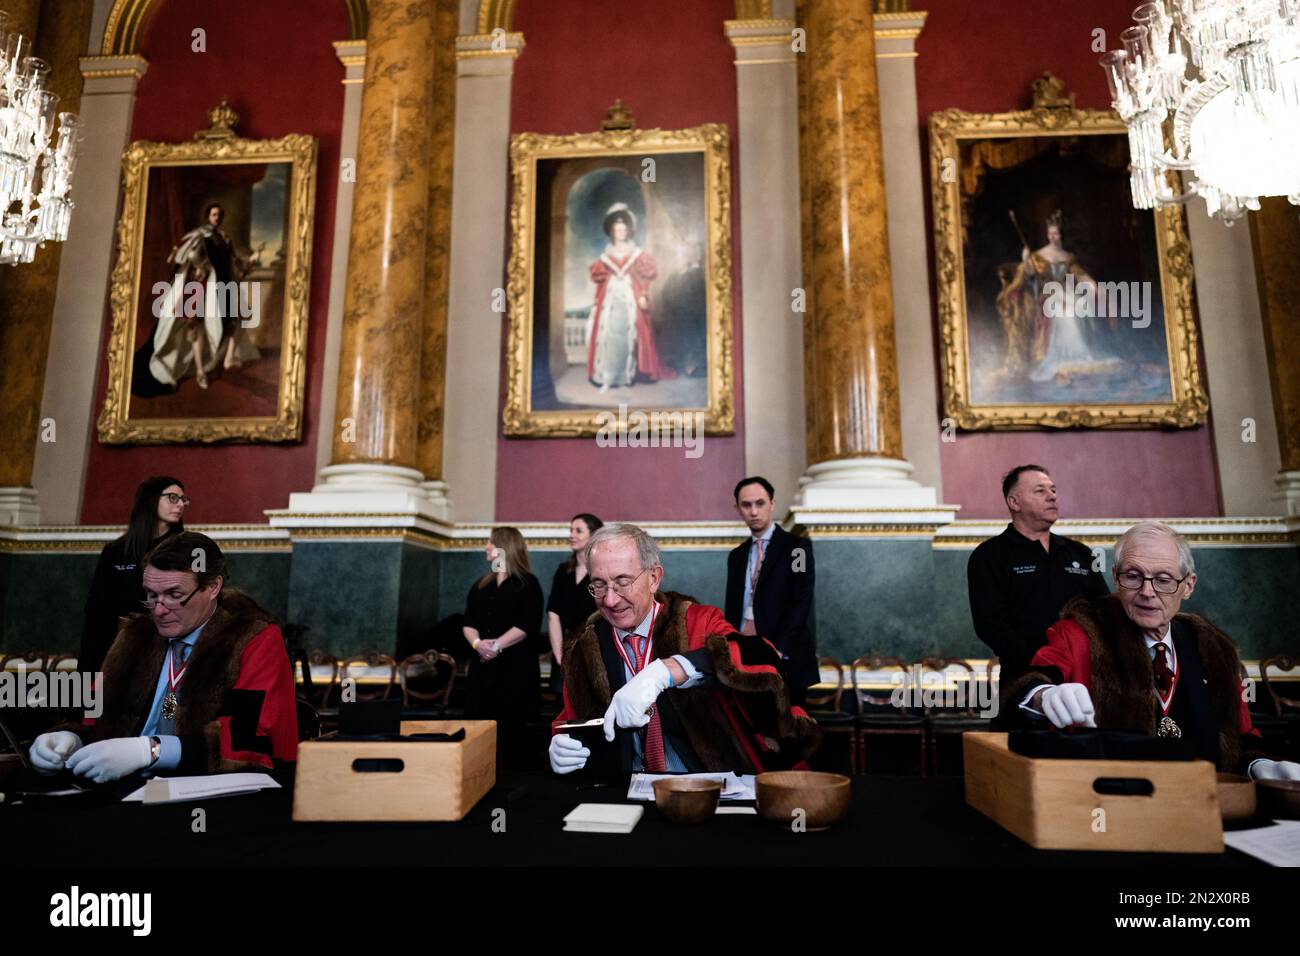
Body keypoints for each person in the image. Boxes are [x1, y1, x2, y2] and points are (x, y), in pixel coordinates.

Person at [1004, 521, 1300, 780]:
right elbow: (1032, 682)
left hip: (1207, 808)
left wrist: (1260, 766)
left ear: (1188, 586)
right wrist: (1043, 697)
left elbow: (1242, 737)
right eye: (1133, 576)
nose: (1147, 591)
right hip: (1113, 807)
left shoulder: (1213, 649)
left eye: (1163, 580)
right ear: (1116, 578)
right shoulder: (1080, 633)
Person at [548, 523, 818, 775]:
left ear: (654, 578)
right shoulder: (584, 648)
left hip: (705, 789)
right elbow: (571, 720)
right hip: (624, 792)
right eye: (598, 585)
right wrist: (560, 743)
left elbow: (760, 657)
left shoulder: (697, 621)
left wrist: (670, 670)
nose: (610, 599)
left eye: (622, 582)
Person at [31, 532, 297, 782]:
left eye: (174, 595)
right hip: (122, 789)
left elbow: (247, 739)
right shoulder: (136, 635)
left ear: (213, 586)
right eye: (151, 595)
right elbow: (96, 718)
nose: (158, 610)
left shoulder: (253, 639)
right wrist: (70, 740)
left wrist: (152, 750)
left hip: (205, 795)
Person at [967, 464, 1108, 687]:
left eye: (1053, 490)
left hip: (1087, 674)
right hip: (1024, 677)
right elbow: (989, 624)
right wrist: (1042, 659)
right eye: (1040, 491)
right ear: (1014, 502)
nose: (1052, 496)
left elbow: (1104, 611)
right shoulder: (989, 555)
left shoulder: (1081, 553)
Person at [79, 476, 188, 678]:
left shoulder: (186, 549)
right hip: (117, 649)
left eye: (183, 499)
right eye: (173, 498)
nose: (180, 504)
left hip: (167, 649)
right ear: (151, 499)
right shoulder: (116, 551)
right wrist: (87, 672)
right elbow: (97, 613)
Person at [724, 477, 817, 705]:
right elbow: (731, 608)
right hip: (744, 656)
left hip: (787, 658)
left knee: (790, 732)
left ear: (772, 504)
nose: (754, 511)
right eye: (746, 505)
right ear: (737, 508)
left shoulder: (798, 548)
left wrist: (778, 649)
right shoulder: (736, 556)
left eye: (760, 503)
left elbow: (801, 602)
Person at [152, 202, 260, 390]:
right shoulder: (200, 235)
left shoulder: (225, 238)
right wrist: (202, 267)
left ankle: (228, 358)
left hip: (222, 286)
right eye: (213, 215)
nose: (217, 218)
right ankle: (201, 371)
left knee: (240, 318)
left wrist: (251, 261)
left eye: (219, 215)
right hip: (199, 286)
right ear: (208, 217)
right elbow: (191, 255)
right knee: (197, 327)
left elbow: (235, 264)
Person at [463, 527, 544, 769]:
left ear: (504, 547)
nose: (486, 546)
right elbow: (468, 622)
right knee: (479, 726)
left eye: (490, 542)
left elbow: (527, 624)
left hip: (514, 670)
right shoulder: (481, 585)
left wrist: (496, 646)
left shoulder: (527, 584)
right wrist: (478, 644)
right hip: (482, 669)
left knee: (510, 731)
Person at [585, 202, 676, 390]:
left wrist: (643, 294)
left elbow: (644, 278)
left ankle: (628, 375)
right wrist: (596, 303)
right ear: (611, 231)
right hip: (610, 301)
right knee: (609, 335)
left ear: (628, 232)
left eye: (623, 230)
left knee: (629, 334)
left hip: (629, 298)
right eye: (617, 230)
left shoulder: (637, 254)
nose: (620, 233)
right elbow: (600, 283)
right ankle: (608, 375)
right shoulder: (605, 256)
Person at [545, 513, 603, 696]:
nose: (572, 535)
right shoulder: (564, 571)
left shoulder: (602, 570)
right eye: (571, 530)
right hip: (565, 648)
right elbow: (553, 614)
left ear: (593, 535)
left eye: (578, 530)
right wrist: (560, 657)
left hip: (595, 648)